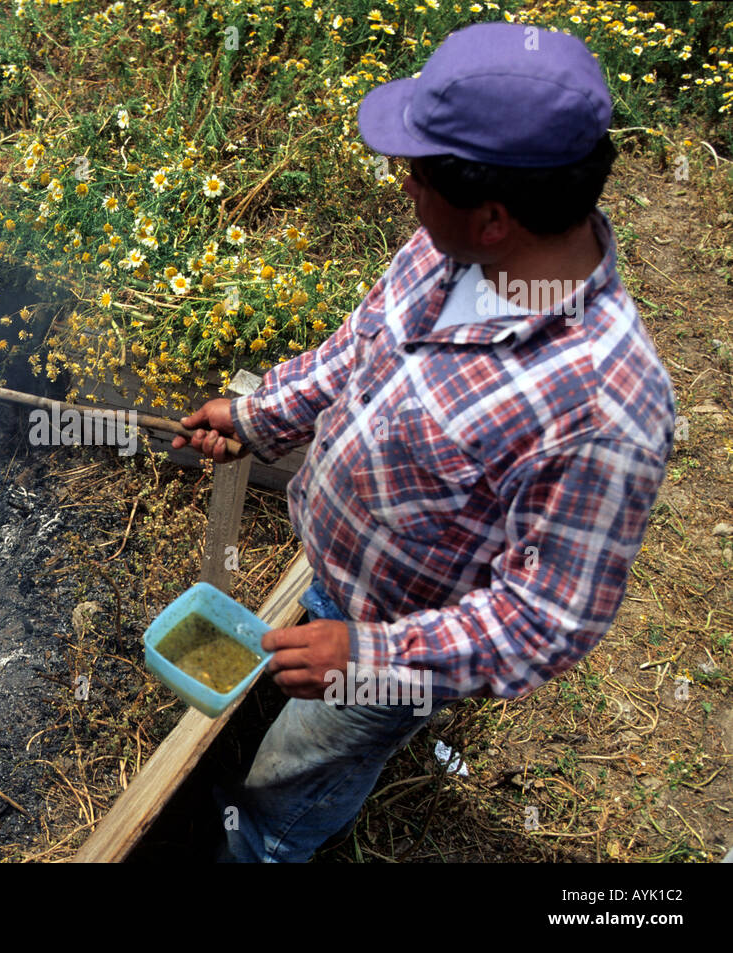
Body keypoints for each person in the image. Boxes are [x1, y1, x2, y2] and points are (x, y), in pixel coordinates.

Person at [172, 20, 676, 862]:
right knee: (302, 687)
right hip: (341, 582)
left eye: (418, 175)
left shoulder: (607, 406)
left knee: (294, 775)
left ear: (494, 216)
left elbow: (542, 620)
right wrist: (259, 417)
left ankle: (259, 841)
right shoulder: (447, 251)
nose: (403, 186)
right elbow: (355, 350)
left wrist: (370, 657)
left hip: (399, 650)